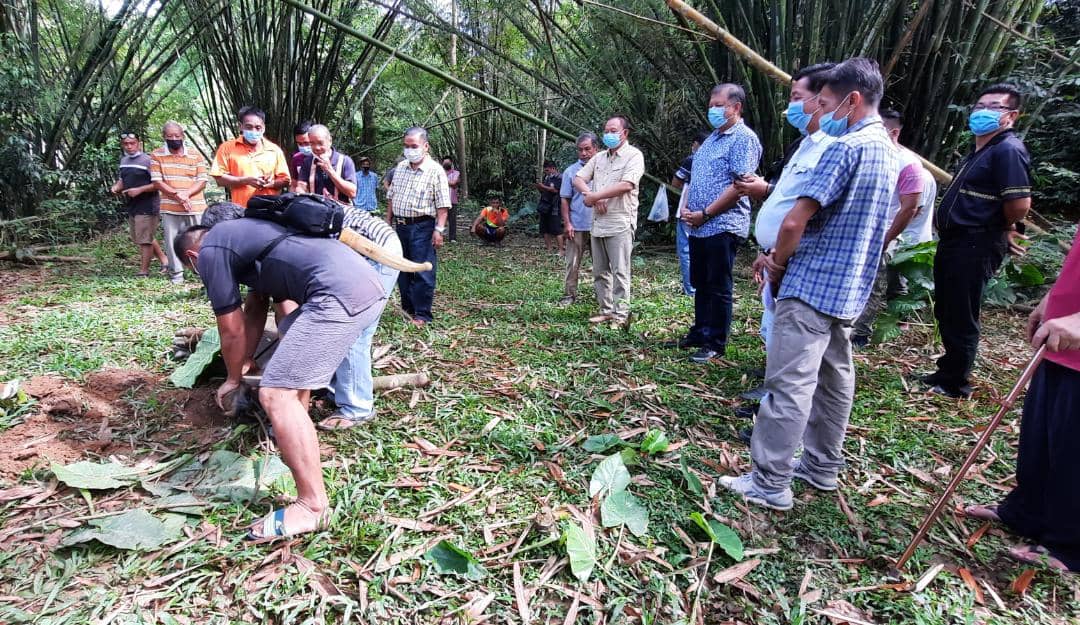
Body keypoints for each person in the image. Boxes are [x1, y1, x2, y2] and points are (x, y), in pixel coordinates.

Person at [719, 58, 900, 510]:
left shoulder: (846, 148)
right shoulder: (887, 150)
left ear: (852, 100)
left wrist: (777, 263)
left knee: (789, 384)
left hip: (812, 282)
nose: (818, 109)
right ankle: (821, 467)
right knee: (836, 377)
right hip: (849, 287)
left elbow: (796, 220)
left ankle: (769, 482)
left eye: (824, 101)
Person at [173, 218, 385, 539]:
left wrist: (232, 378)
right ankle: (294, 434)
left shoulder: (211, 252)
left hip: (335, 294)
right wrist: (245, 361)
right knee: (289, 353)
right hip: (363, 282)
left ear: (192, 258)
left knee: (275, 393)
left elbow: (230, 329)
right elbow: (255, 308)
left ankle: (313, 506)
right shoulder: (247, 240)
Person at [731, 63, 838, 441]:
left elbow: (807, 216)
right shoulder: (805, 144)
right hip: (777, 254)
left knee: (796, 353)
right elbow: (786, 200)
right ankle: (770, 404)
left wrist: (778, 256)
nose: (789, 106)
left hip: (796, 260)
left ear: (823, 99)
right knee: (776, 334)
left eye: (797, 98)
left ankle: (777, 426)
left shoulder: (833, 147)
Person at [963, 225, 1080, 572]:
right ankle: (1025, 512)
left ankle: (1068, 545)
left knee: (1074, 451)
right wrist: (1054, 298)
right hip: (1062, 342)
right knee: (1041, 438)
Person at [923, 83, 1032, 399]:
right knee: (947, 305)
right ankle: (947, 369)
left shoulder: (1008, 150)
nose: (982, 111)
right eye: (979, 105)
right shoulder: (981, 150)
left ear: (1011, 115)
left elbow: (1020, 203)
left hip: (976, 241)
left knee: (961, 309)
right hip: (957, 240)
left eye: (994, 107)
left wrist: (1003, 225)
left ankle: (956, 382)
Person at [679, 84, 762, 363]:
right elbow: (696, 179)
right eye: (711, 104)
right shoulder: (714, 138)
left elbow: (741, 185)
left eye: (718, 105)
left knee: (718, 284)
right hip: (699, 223)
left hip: (723, 223)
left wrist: (707, 212)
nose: (712, 110)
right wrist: (690, 210)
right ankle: (700, 332)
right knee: (700, 281)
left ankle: (716, 341)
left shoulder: (743, 138)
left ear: (736, 107)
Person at [319, 207, 402, 429]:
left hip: (374, 249)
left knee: (354, 330)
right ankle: (337, 389)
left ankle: (357, 408)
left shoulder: (279, 234)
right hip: (357, 248)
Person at [851, 109, 928, 346]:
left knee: (874, 284)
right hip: (856, 231)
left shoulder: (909, 164)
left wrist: (887, 238)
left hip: (883, 233)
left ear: (893, 132)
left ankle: (860, 333)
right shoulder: (866, 155)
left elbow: (910, 208)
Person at [573, 116, 645, 329]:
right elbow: (578, 178)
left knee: (620, 271)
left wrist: (596, 196)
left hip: (620, 222)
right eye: (606, 130)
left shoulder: (634, 156)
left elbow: (627, 184)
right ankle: (606, 310)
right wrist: (591, 195)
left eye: (613, 130)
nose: (608, 134)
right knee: (600, 271)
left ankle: (620, 316)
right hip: (598, 223)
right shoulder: (599, 157)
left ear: (625, 133)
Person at [386, 127, 452, 326]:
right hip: (401, 226)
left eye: (413, 146)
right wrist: (388, 222)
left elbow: (442, 205)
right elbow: (391, 198)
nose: (409, 150)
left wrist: (439, 230)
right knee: (401, 268)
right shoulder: (400, 168)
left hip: (422, 226)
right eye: (406, 146)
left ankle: (422, 314)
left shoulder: (435, 171)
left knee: (423, 270)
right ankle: (408, 309)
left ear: (425, 146)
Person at [150, 121, 208, 284]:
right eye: (169, 136)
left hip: (195, 205)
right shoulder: (157, 155)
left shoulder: (196, 155)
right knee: (171, 239)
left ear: (183, 136)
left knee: (201, 238)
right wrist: (178, 195)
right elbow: (157, 181)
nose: (174, 139)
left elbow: (202, 180)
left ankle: (203, 270)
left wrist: (186, 195)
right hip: (170, 207)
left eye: (177, 136)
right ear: (164, 137)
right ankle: (176, 274)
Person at [209, 106, 290, 208]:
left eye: (258, 127)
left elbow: (285, 180)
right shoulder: (227, 148)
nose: (254, 131)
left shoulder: (274, 150)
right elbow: (219, 178)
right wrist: (245, 181)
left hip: (269, 209)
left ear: (263, 127)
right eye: (249, 127)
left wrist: (271, 183)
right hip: (240, 209)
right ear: (240, 126)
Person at [110, 131, 166, 277]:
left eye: (132, 143)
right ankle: (164, 260)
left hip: (148, 204)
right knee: (142, 236)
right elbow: (122, 180)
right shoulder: (124, 161)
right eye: (126, 144)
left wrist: (140, 190)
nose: (129, 146)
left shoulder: (148, 160)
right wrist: (116, 187)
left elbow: (159, 184)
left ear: (138, 144)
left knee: (144, 239)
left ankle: (144, 271)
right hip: (132, 205)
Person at [558, 133, 599, 306]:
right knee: (572, 263)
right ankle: (569, 295)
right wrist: (567, 223)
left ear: (596, 148)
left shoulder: (605, 168)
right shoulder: (571, 171)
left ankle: (603, 297)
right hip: (578, 224)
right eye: (580, 150)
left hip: (600, 225)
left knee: (602, 265)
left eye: (587, 149)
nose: (583, 153)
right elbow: (564, 199)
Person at [670, 130, 711, 297]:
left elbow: (676, 183)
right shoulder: (717, 160)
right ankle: (704, 287)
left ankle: (691, 289)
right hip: (710, 212)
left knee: (687, 251)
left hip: (687, 211)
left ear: (696, 144)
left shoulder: (692, 160)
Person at [296, 124, 356, 203]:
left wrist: (330, 171)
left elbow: (352, 193)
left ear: (330, 141)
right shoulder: (307, 162)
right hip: (315, 210)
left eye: (320, 143)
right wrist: (300, 191)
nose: (317, 148)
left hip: (342, 212)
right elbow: (301, 186)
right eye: (312, 143)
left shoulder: (345, 161)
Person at [535, 160, 564, 254]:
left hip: (555, 206)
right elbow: (545, 191)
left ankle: (560, 250)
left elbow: (556, 191)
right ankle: (549, 249)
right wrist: (540, 187)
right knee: (544, 228)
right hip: (545, 206)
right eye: (545, 171)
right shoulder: (547, 178)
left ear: (553, 168)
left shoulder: (560, 177)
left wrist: (542, 186)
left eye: (547, 170)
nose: (546, 172)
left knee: (556, 228)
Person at [288, 121, 313, 190]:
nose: (303, 147)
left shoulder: (325, 159)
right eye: (300, 144)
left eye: (306, 143)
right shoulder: (296, 158)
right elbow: (294, 182)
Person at [442, 157, 461, 242]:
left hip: (452, 200)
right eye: (445, 163)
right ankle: (439, 236)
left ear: (451, 163)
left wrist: (442, 180)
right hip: (441, 200)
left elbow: (454, 183)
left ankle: (452, 238)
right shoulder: (439, 173)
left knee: (452, 220)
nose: (446, 164)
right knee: (440, 219)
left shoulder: (456, 172)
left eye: (448, 162)